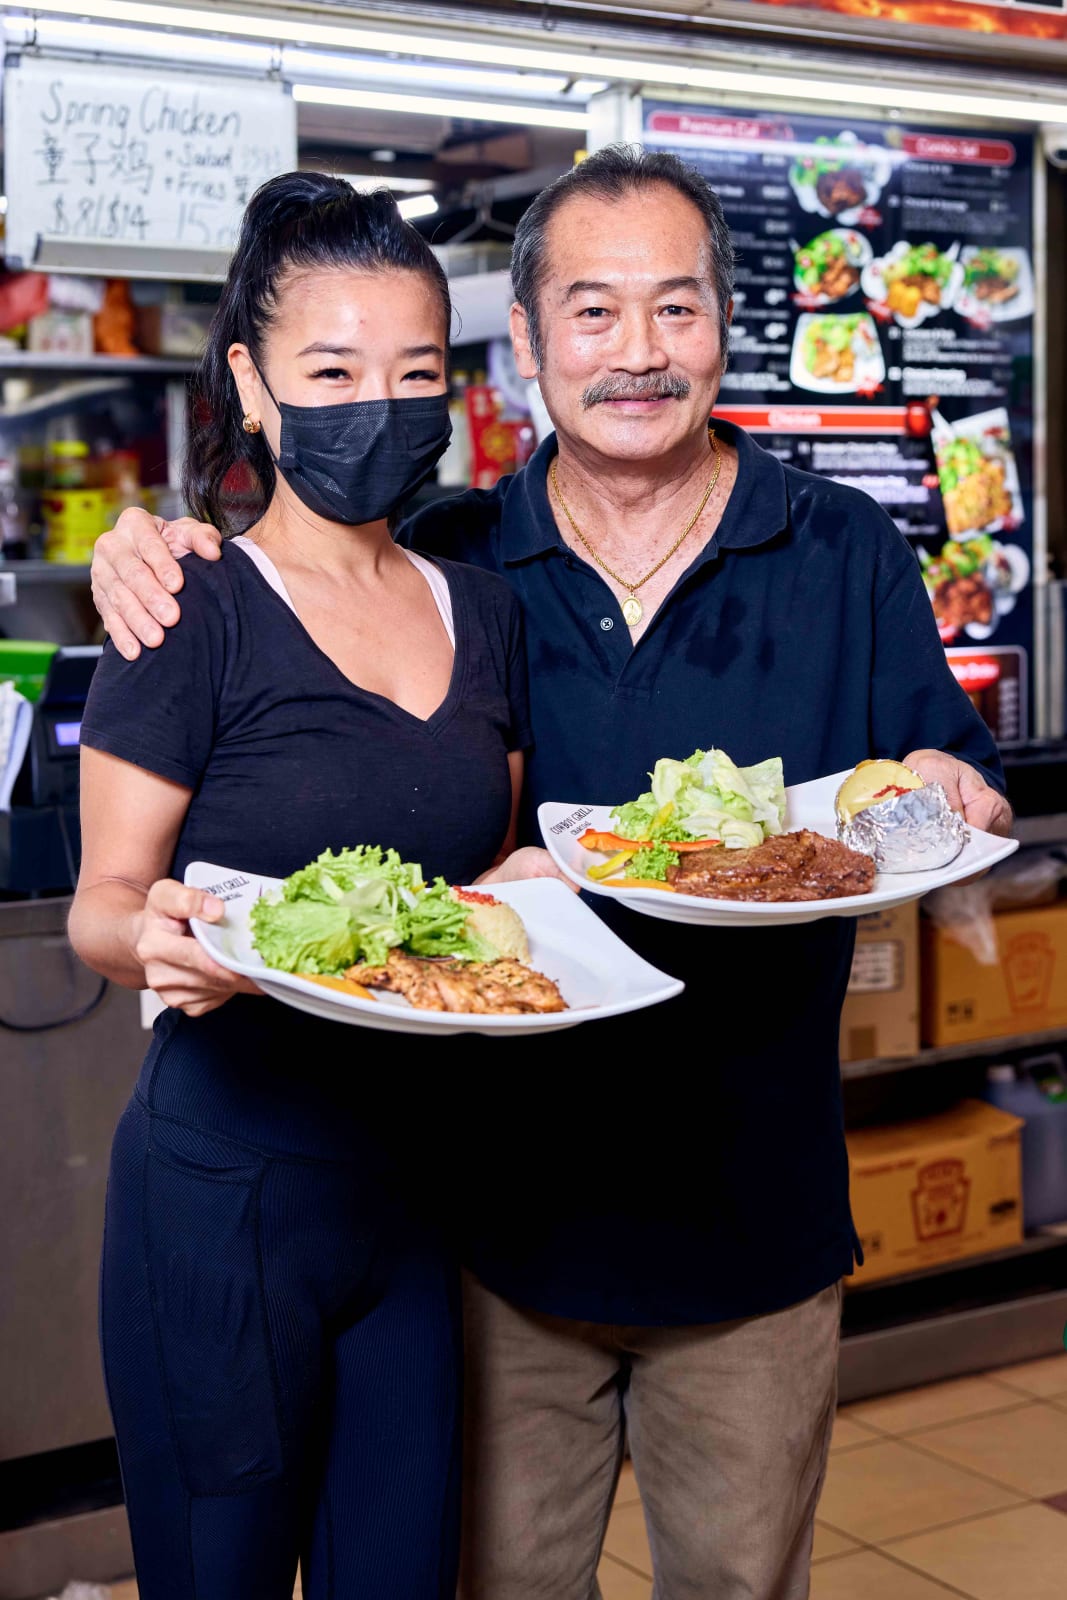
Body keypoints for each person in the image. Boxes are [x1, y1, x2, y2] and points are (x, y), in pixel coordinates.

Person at [91, 146, 1013, 1600]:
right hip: (488, 1235)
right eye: (592, 312)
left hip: (750, 1229)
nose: (637, 353)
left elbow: (932, 788)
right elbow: (294, 600)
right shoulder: (457, 560)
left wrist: (952, 799)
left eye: (676, 309)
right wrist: (143, 542)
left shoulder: (840, 548)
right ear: (520, 347)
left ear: (725, 325)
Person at [69, 171, 562, 1600]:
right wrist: (156, 934)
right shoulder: (188, 603)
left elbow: (483, 878)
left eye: (413, 374)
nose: (378, 406)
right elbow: (107, 900)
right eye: (332, 371)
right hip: (225, 1201)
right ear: (254, 384)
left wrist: (537, 892)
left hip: (415, 1202)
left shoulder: (485, 609)